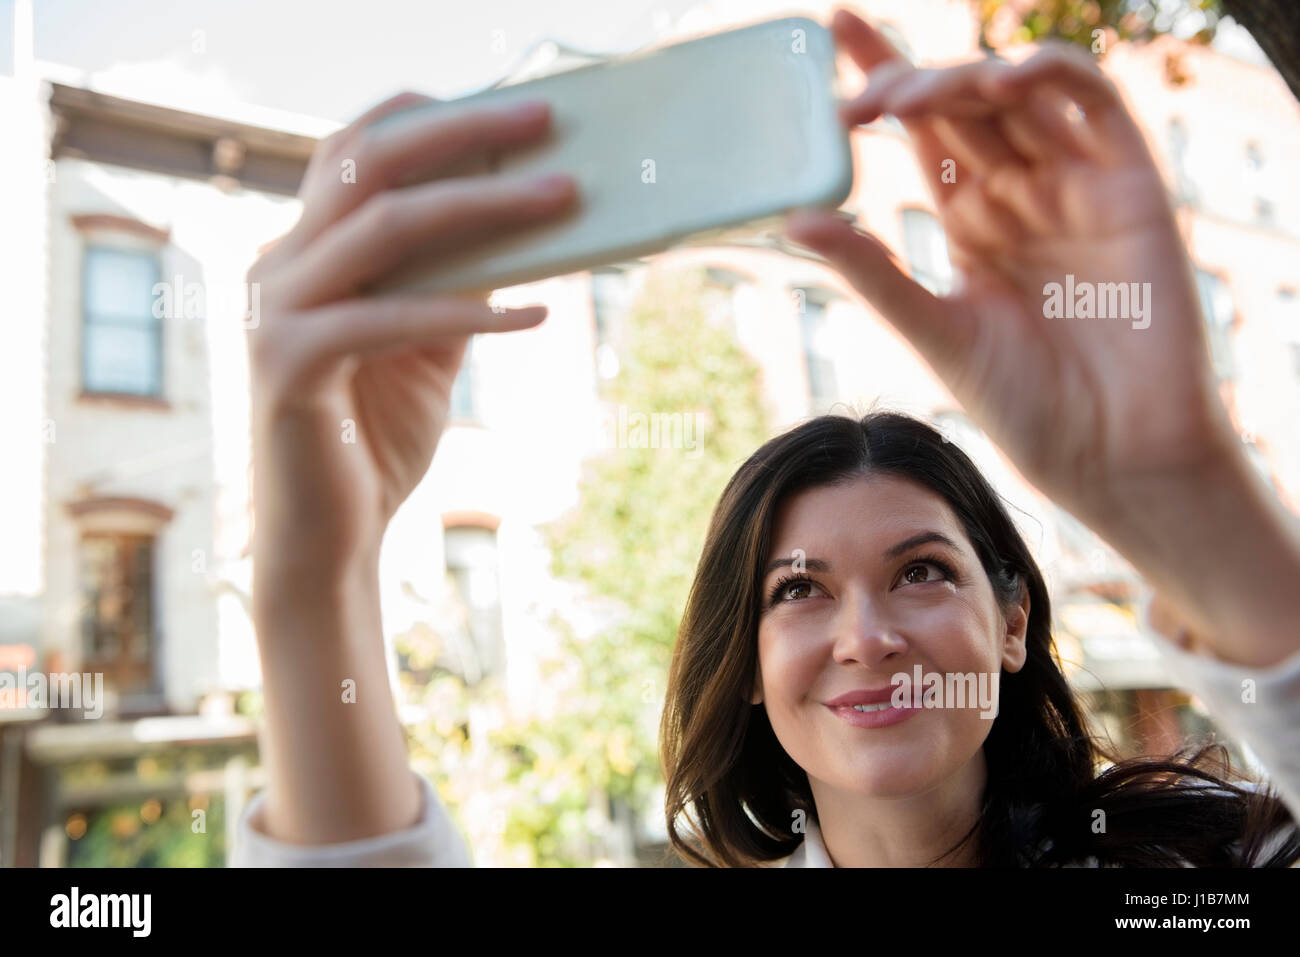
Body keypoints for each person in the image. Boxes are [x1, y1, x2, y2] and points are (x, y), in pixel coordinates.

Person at [230, 8, 1300, 867]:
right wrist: (314, 579)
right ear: (745, 663)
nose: (865, 637)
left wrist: (1181, 489)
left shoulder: (1213, 866)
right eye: (796, 590)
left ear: (1012, 624)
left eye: (922, 572)